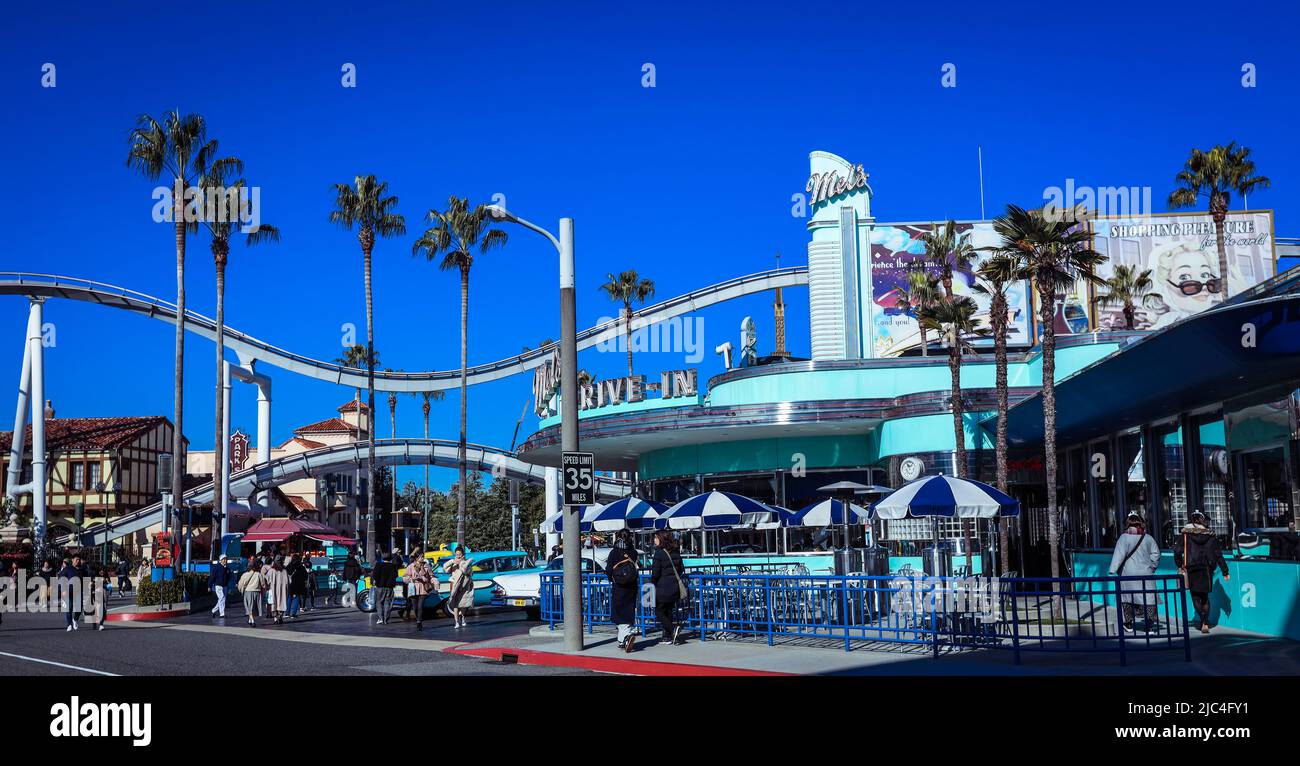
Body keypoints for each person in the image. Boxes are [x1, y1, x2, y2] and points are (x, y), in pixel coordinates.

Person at [1174, 510, 1230, 634]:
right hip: (1207, 568)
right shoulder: (1210, 535)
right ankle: (1205, 621)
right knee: (1205, 597)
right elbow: (1218, 554)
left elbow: (1177, 551)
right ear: (1202, 520)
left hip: (1192, 568)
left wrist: (1180, 564)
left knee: (1195, 596)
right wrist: (1225, 571)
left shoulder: (1185, 534)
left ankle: (1201, 617)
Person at [1108, 513, 1161, 633]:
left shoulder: (1124, 538)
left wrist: (1113, 570)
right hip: (1146, 574)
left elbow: (1119, 555)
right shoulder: (1148, 538)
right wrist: (1152, 566)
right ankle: (1149, 626)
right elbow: (1156, 554)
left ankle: (1128, 624)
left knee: (1128, 598)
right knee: (1148, 599)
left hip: (1129, 574)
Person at [650, 530, 687, 646]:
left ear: (661, 539)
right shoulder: (675, 551)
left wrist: (653, 583)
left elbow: (655, 573)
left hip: (663, 585)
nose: (654, 540)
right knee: (669, 610)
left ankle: (672, 629)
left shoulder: (659, 553)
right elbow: (681, 568)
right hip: (674, 585)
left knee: (659, 611)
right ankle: (668, 636)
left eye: (655, 538)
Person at [607, 530, 641, 652]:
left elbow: (609, 570)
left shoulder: (614, 552)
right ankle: (627, 634)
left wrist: (613, 579)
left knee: (619, 611)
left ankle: (625, 637)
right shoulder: (634, 552)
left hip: (619, 586)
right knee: (629, 609)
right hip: (632, 586)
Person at [443, 548, 475, 628]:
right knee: (455, 604)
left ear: (463, 555)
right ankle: (456, 622)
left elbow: (468, 572)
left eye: (459, 555)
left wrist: (462, 563)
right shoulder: (453, 563)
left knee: (463, 604)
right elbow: (445, 568)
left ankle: (463, 617)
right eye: (456, 554)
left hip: (464, 586)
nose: (458, 556)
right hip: (455, 585)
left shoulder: (466, 563)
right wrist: (452, 561)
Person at [404, 555, 434, 630]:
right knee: (415, 607)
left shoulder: (426, 566)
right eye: (421, 557)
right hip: (413, 588)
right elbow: (404, 577)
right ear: (417, 558)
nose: (423, 558)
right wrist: (410, 579)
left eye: (423, 557)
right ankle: (418, 619)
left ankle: (419, 622)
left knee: (420, 606)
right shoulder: (411, 566)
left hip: (423, 588)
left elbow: (431, 575)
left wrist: (426, 579)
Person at [370, 551, 398, 625]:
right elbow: (396, 575)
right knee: (387, 602)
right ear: (390, 558)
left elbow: (375, 575)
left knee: (379, 602)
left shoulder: (378, 565)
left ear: (382, 558)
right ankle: (386, 619)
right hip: (389, 587)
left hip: (380, 586)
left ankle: (381, 618)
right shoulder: (393, 566)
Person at [236, 563, 267, 627]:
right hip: (257, 592)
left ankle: (252, 621)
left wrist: (241, 589)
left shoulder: (244, 574)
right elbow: (263, 584)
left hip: (248, 592)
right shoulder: (258, 574)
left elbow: (240, 583)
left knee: (249, 607)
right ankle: (250, 620)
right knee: (254, 607)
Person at [265, 556, 290, 625]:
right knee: (282, 602)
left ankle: (276, 618)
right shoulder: (284, 570)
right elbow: (288, 581)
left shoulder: (271, 570)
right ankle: (280, 617)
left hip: (273, 590)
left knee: (274, 603)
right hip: (283, 590)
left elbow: (267, 579)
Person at [57, 557, 79, 631]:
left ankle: (75, 619)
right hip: (69, 591)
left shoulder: (82, 569)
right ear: (72, 560)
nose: (78, 561)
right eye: (77, 560)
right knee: (69, 607)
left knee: (79, 607)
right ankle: (69, 624)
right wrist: (63, 590)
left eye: (79, 560)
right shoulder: (67, 569)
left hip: (79, 591)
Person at [286, 554, 309, 619]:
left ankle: (287, 613)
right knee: (296, 598)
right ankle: (293, 614)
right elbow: (306, 577)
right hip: (299, 585)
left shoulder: (289, 566)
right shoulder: (301, 567)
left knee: (289, 598)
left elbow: (286, 573)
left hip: (291, 585)